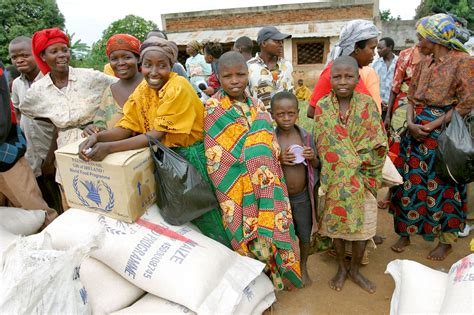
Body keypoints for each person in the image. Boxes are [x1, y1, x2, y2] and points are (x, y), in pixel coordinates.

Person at [78, 36, 231, 248]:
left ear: (171, 66)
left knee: (206, 214)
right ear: (141, 65)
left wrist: (108, 148)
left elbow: (156, 134)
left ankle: (228, 257)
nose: (154, 72)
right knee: (182, 220)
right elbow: (127, 127)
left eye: (162, 66)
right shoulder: (142, 90)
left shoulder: (178, 87)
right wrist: (97, 137)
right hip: (165, 158)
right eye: (148, 65)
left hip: (190, 158)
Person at [204, 51, 303, 290]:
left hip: (267, 186)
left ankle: (273, 282)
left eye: (240, 74)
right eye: (228, 76)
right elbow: (216, 155)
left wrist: (270, 155)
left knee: (268, 233)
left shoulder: (258, 105)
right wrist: (250, 160)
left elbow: (270, 142)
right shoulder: (213, 108)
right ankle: (257, 287)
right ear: (218, 77)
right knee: (251, 240)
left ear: (248, 75)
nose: (235, 80)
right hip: (237, 188)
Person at [389, 14, 472, 261]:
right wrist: (412, 123)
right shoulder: (425, 62)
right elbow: (412, 96)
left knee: (445, 186)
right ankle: (405, 232)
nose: (418, 40)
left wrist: (432, 125)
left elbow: (467, 103)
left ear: (435, 38)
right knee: (408, 183)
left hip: (444, 134)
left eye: (421, 36)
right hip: (415, 133)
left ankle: (445, 240)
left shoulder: (463, 62)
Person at [19, 28, 116, 209]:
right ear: (43, 56)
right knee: (74, 195)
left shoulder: (89, 77)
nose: (61, 55)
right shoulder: (38, 90)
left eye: (64, 49)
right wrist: (61, 123)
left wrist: (97, 121)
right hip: (64, 147)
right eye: (54, 51)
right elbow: (28, 110)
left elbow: (119, 88)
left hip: (95, 141)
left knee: (103, 193)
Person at [314, 56, 387, 293]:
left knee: (361, 230)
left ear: (358, 78)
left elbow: (378, 143)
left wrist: (361, 170)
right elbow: (323, 143)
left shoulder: (367, 104)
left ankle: (355, 269)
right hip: (335, 180)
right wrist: (341, 167)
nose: (343, 81)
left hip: (363, 179)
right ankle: (342, 268)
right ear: (330, 79)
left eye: (349, 76)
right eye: (337, 77)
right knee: (338, 228)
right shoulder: (323, 106)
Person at [0, 62, 57, 227]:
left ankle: (54, 240)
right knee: (8, 217)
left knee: (34, 208)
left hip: (7, 155)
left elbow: (3, 119)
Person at [9, 36, 62, 212]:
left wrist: (50, 158)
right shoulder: (17, 84)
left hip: (53, 148)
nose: (19, 60)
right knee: (43, 196)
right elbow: (17, 111)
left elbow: (59, 122)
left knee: (62, 192)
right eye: (14, 57)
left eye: (24, 55)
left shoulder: (51, 80)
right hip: (31, 151)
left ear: (37, 55)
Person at [272, 91, 319, 286]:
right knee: (279, 234)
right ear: (272, 114)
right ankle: (282, 269)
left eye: (290, 113)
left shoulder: (306, 138)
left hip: (302, 197)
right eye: (281, 114)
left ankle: (303, 265)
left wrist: (312, 157)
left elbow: (318, 166)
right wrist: (278, 158)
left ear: (298, 113)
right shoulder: (270, 139)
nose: (286, 118)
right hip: (279, 197)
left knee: (304, 232)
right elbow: (264, 166)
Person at [307, 19, 382, 119]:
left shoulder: (356, 72)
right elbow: (312, 112)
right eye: (372, 48)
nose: (374, 53)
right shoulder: (334, 72)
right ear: (356, 49)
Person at [83, 34, 142, 135]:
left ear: (138, 59)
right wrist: (93, 129)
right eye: (114, 59)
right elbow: (100, 125)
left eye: (127, 57)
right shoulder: (109, 91)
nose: (120, 63)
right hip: (116, 150)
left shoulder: (151, 86)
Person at [248, 26, 293, 111]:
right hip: (259, 121)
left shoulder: (287, 66)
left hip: (283, 120)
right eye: (277, 41)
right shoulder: (249, 67)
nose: (281, 44)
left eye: (281, 41)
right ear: (264, 43)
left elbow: (291, 95)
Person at [370, 37, 398, 120]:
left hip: (395, 108)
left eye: (380, 48)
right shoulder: (375, 64)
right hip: (378, 107)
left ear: (390, 47)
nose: (378, 50)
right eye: (377, 48)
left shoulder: (400, 62)